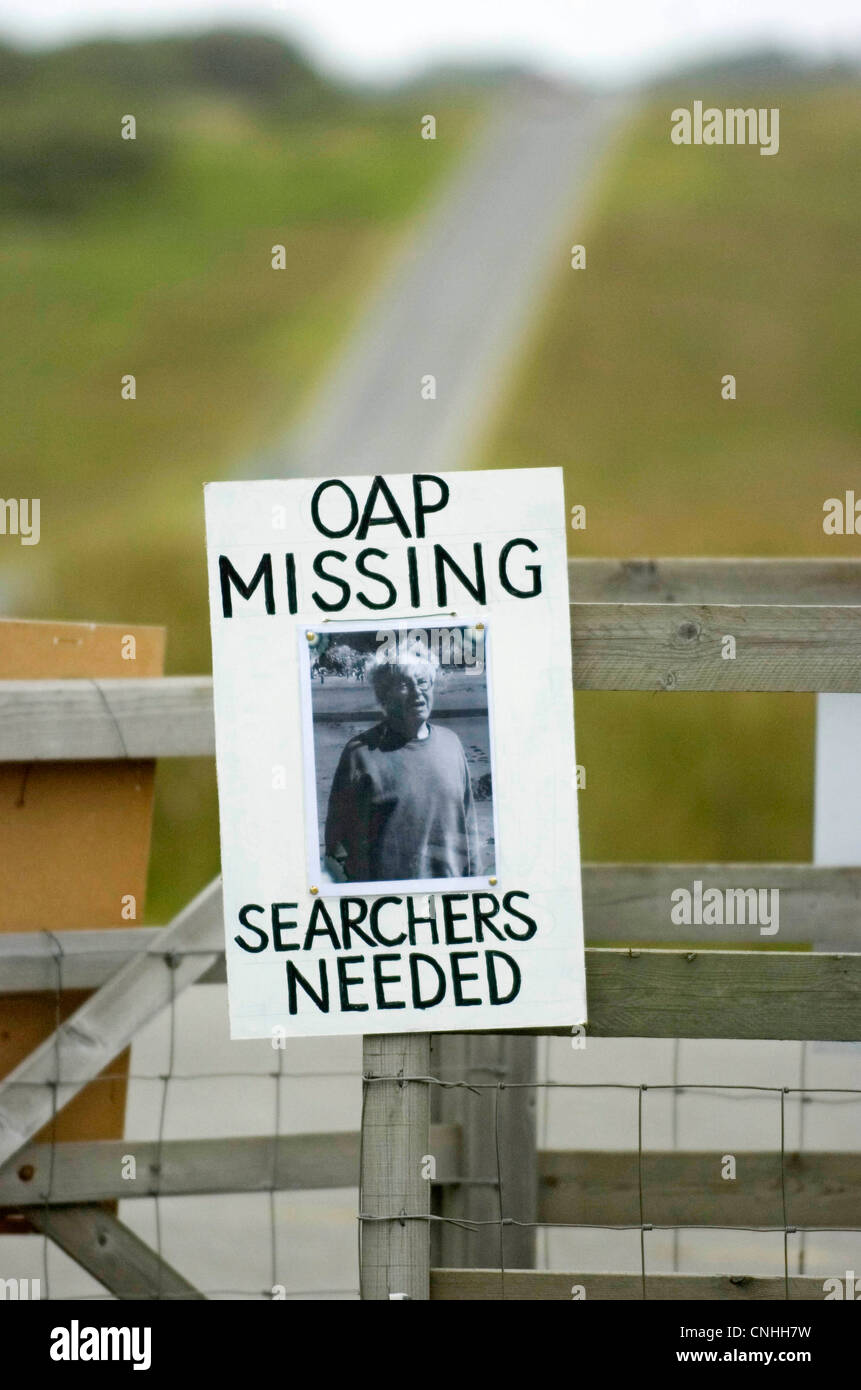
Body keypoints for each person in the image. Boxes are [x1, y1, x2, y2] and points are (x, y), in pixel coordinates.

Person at [324, 645, 480, 883]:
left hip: (450, 895)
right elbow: (338, 846)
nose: (417, 692)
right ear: (384, 695)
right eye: (405, 685)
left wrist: (475, 881)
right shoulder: (361, 754)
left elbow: (468, 826)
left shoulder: (451, 743)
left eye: (423, 682)